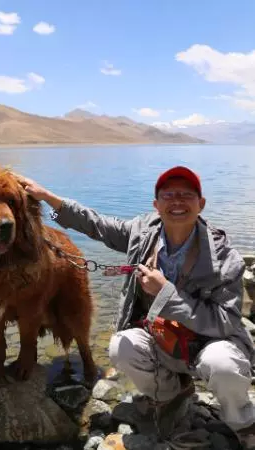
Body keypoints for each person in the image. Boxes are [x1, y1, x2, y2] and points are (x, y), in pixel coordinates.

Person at [17, 166, 255, 448]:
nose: (177, 201)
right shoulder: (143, 233)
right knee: (122, 346)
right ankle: (170, 395)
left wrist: (166, 293)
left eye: (186, 194)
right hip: (164, 341)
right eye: (168, 195)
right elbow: (95, 224)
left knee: (223, 365)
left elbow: (224, 322)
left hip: (210, 346)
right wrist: (47, 198)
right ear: (156, 205)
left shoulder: (226, 258)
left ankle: (243, 422)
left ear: (201, 203)